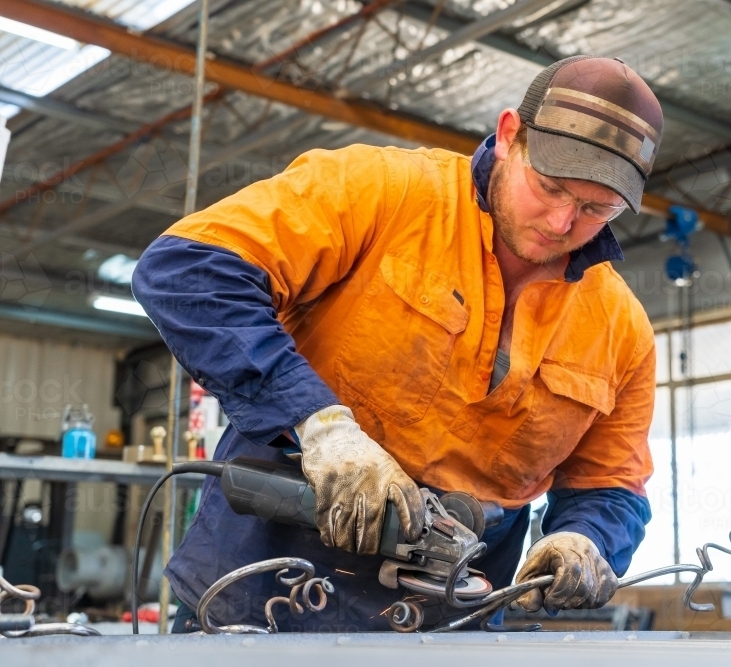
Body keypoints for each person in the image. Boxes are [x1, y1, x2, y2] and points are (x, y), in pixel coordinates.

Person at [132, 54, 662, 632]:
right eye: (551, 187)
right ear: (511, 135)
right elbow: (187, 270)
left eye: (595, 209)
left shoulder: (623, 329)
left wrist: (583, 539)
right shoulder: (382, 192)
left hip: (450, 625)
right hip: (263, 595)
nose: (562, 223)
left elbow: (611, 484)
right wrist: (320, 427)